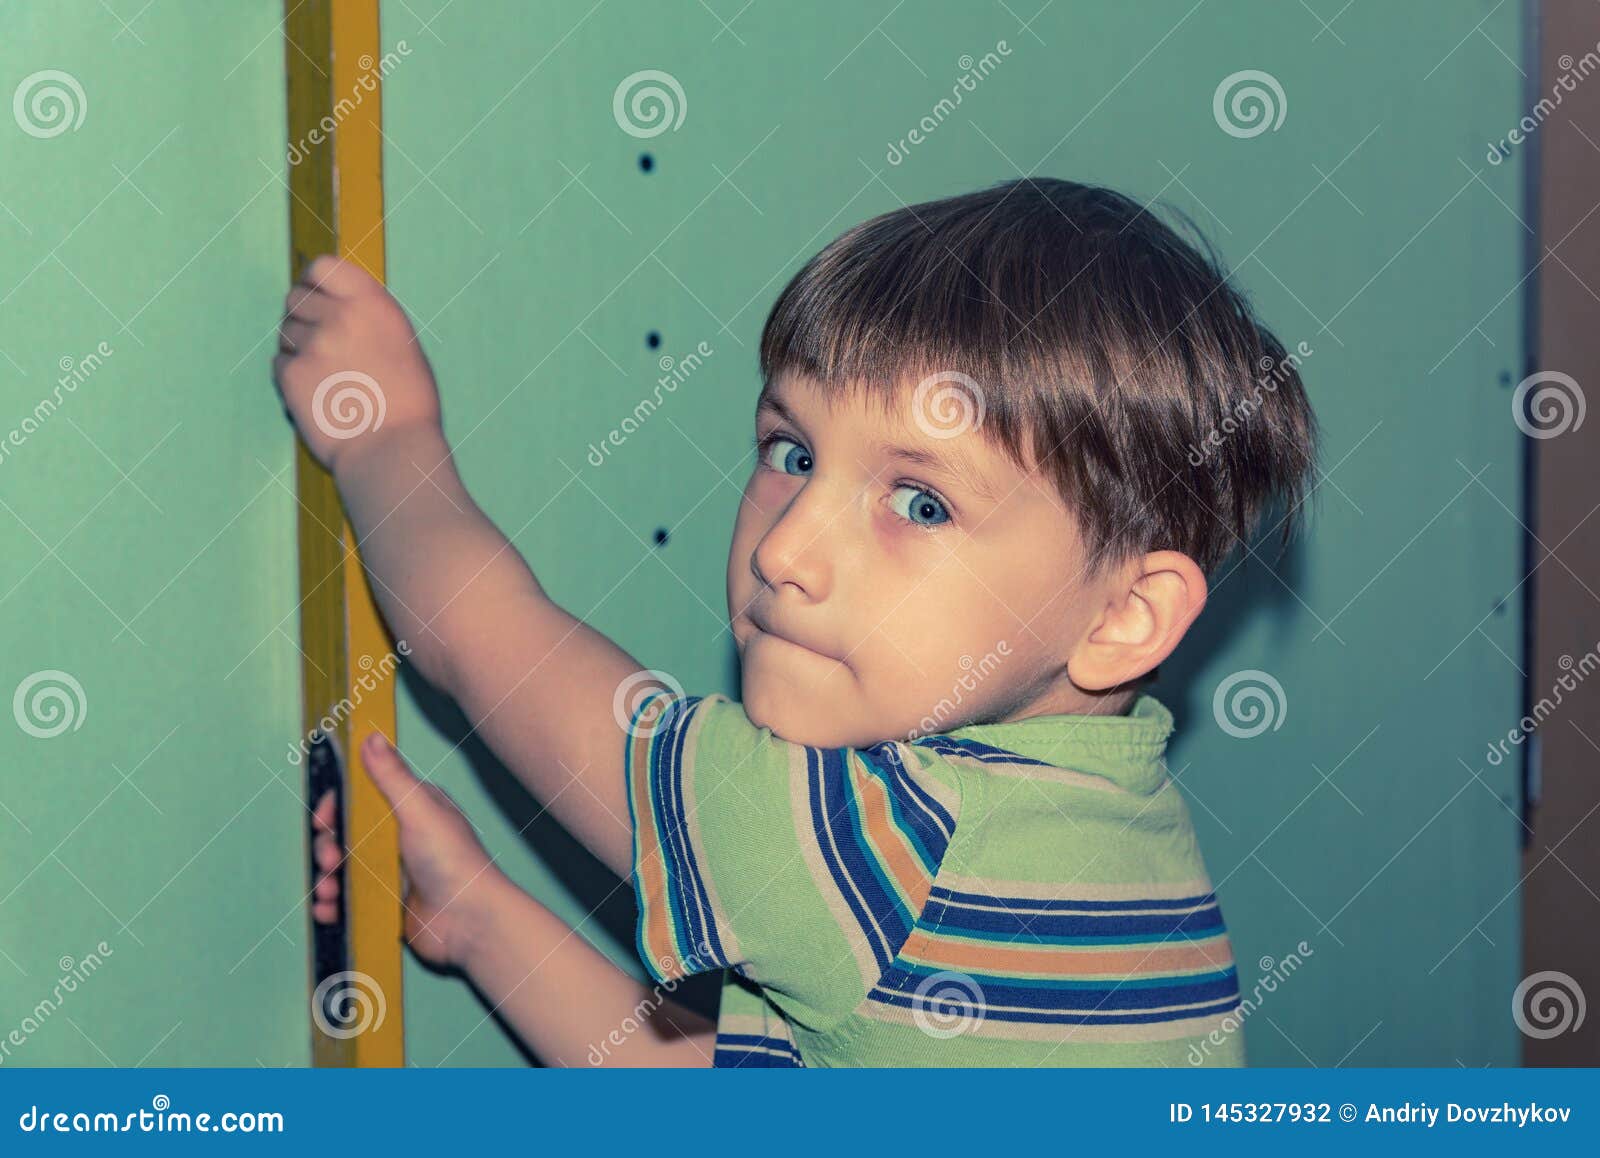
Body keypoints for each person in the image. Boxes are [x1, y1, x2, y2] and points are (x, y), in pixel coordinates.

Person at [279, 177, 1319, 1067]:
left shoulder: (888, 841)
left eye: (920, 503)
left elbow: (480, 637)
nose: (784, 551)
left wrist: (384, 431)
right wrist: (478, 917)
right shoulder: (1108, 826)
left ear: (1126, 616)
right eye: (793, 455)